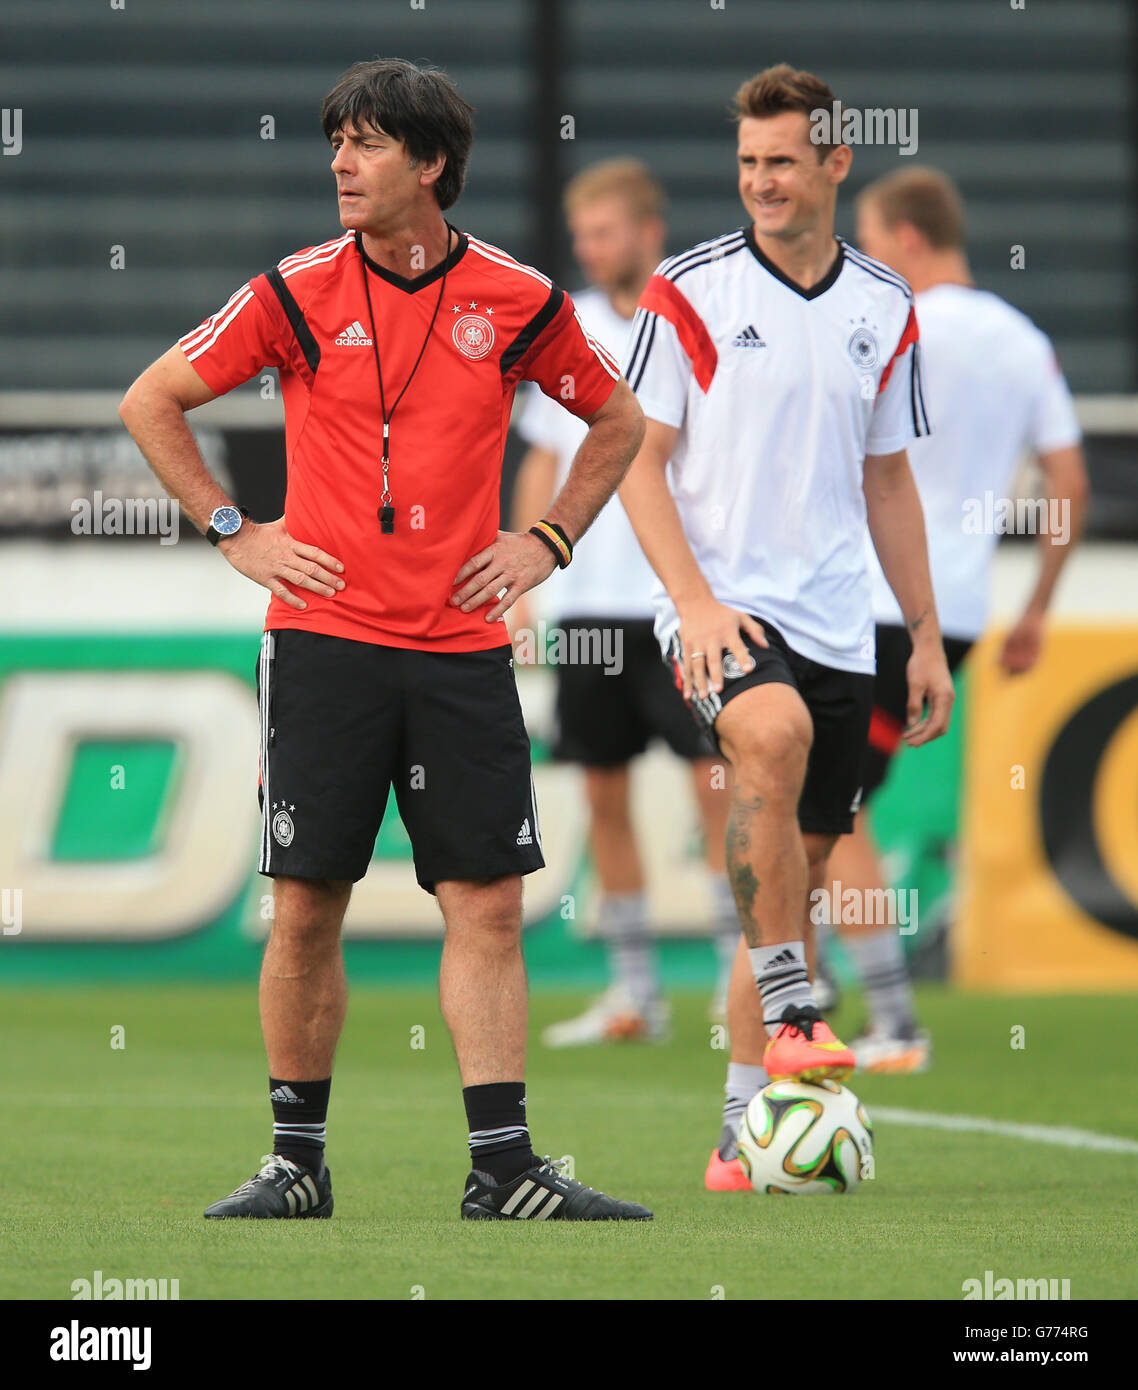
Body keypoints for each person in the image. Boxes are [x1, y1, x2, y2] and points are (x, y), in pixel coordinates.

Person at [118, 58, 651, 1222]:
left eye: (363, 145)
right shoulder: (296, 289)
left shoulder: (514, 296)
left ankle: (503, 1168)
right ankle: (295, 1162)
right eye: (336, 143)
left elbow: (618, 420)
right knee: (306, 903)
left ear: (432, 165)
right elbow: (150, 398)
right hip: (323, 643)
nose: (339, 165)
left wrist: (547, 539)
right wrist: (233, 530)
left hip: (461, 647)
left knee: (490, 902)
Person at [617, 64, 955, 1192]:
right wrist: (696, 602)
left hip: (840, 628)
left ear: (832, 162)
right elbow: (635, 464)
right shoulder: (686, 290)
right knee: (762, 742)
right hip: (719, 609)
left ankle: (732, 1131)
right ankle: (796, 1012)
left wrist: (920, 632)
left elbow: (890, 483)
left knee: (793, 880)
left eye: (782, 162)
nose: (761, 182)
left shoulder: (882, 303)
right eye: (747, 163)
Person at [816, 166, 1088, 1072]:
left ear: (909, 238)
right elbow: (1069, 481)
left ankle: (884, 1014)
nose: (857, 252)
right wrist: (1038, 610)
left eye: (869, 233)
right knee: (834, 798)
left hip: (868, 596)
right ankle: (818, 983)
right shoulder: (1023, 340)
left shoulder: (889, 321)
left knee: (832, 802)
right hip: (958, 608)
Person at [511, 160, 737, 1045]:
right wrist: (523, 577)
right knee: (603, 793)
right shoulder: (563, 323)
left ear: (649, 231)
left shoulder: (695, 316)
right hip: (588, 606)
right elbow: (540, 453)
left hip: (676, 601)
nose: (592, 249)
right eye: (583, 237)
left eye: (605, 232)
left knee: (716, 784)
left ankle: (736, 983)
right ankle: (636, 993)